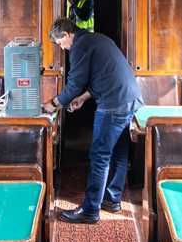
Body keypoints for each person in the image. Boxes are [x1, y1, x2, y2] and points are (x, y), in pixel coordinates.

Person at [42, 18, 144, 224]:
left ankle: (90, 210)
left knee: (100, 155)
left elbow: (73, 85)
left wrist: (52, 103)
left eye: (60, 44)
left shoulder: (79, 46)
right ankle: (113, 199)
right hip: (131, 100)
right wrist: (83, 97)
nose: (63, 48)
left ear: (65, 35)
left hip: (114, 104)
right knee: (119, 152)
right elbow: (105, 75)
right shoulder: (97, 38)